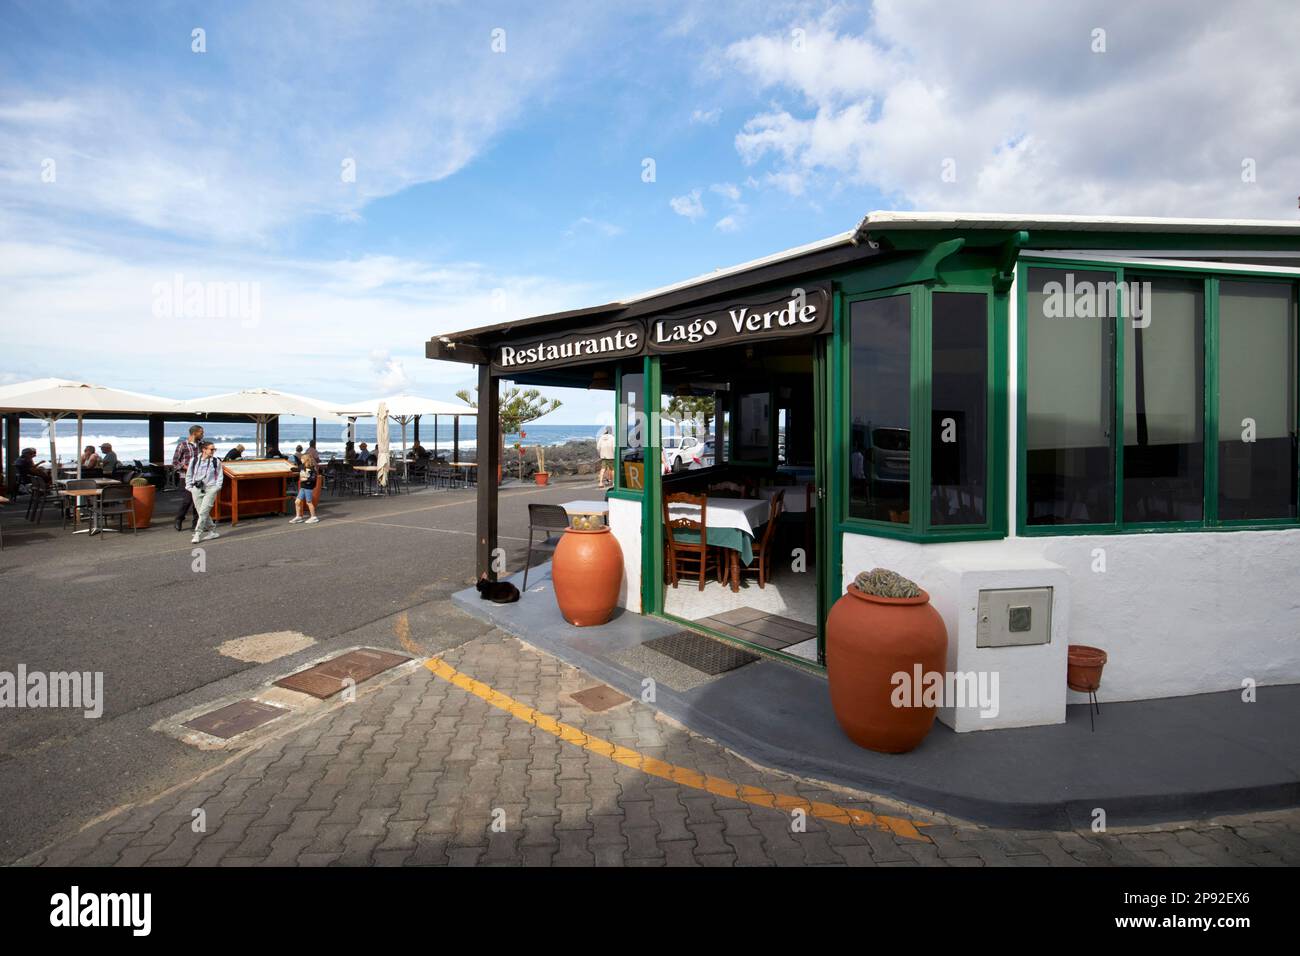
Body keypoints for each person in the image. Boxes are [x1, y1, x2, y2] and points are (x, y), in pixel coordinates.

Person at [185, 440, 224, 543]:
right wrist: (189, 487)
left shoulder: (216, 461)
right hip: (196, 488)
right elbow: (189, 474)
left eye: (214, 449)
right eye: (211, 449)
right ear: (204, 449)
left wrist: (217, 487)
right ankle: (212, 530)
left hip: (211, 488)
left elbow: (220, 475)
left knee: (203, 512)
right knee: (201, 511)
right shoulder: (194, 460)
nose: (213, 451)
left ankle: (197, 533)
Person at [172, 425, 204, 531]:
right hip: (185, 477)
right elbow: (175, 462)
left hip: (199, 477)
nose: (202, 434)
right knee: (187, 500)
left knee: (197, 500)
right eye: (201, 432)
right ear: (194, 433)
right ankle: (179, 519)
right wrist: (187, 467)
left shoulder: (201, 445)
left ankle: (195, 524)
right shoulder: (182, 445)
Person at [289, 455, 321, 524]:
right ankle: (298, 517)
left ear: (306, 460)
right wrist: (290, 467)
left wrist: (305, 479)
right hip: (303, 487)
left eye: (302, 459)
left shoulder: (312, 469)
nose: (301, 460)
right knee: (297, 502)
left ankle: (313, 517)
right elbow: (296, 469)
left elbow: (313, 479)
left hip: (308, 488)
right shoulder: (302, 466)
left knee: (309, 502)